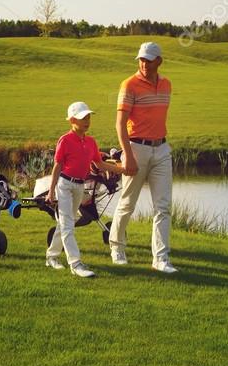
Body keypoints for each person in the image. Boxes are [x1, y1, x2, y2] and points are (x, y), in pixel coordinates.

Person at [109, 41, 177, 273]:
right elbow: (120, 123)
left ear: (159, 61)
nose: (144, 64)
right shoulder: (129, 85)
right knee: (128, 203)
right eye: (141, 59)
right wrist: (127, 155)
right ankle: (117, 248)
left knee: (163, 207)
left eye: (149, 60)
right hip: (136, 148)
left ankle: (161, 258)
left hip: (162, 149)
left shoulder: (167, 85)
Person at [46, 101, 120, 277]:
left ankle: (51, 257)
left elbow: (100, 164)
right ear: (72, 120)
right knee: (67, 225)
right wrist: (51, 191)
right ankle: (76, 263)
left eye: (88, 117)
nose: (87, 121)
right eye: (82, 118)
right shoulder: (64, 140)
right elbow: (57, 167)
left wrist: (122, 169)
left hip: (80, 186)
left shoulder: (91, 142)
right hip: (64, 185)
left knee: (66, 223)